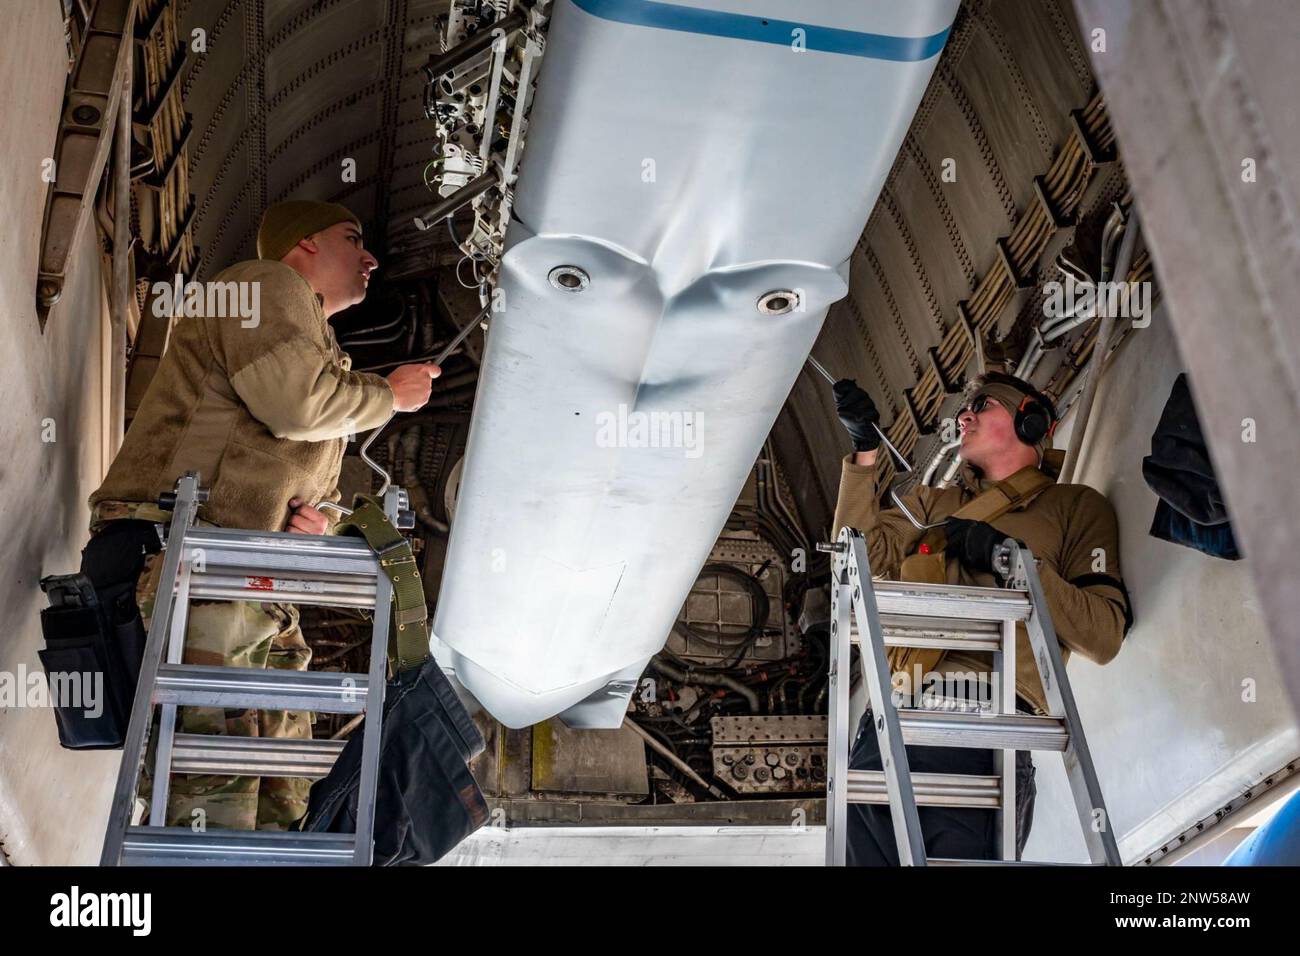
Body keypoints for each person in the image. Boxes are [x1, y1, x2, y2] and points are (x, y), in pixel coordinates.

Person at [86, 200, 441, 830]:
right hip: (186, 561)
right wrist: (392, 394)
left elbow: (307, 478)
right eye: (351, 237)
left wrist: (319, 525)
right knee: (212, 789)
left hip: (244, 579)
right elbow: (294, 406)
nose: (370, 257)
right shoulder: (264, 284)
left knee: (280, 794)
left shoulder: (320, 345)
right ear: (304, 242)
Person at [830, 370, 1133, 864]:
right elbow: (849, 561)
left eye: (985, 404)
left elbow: (1103, 636)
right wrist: (864, 450)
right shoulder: (932, 505)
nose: (964, 415)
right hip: (891, 723)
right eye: (966, 406)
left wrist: (1012, 560)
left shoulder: (1075, 508)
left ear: (1032, 423)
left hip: (988, 729)